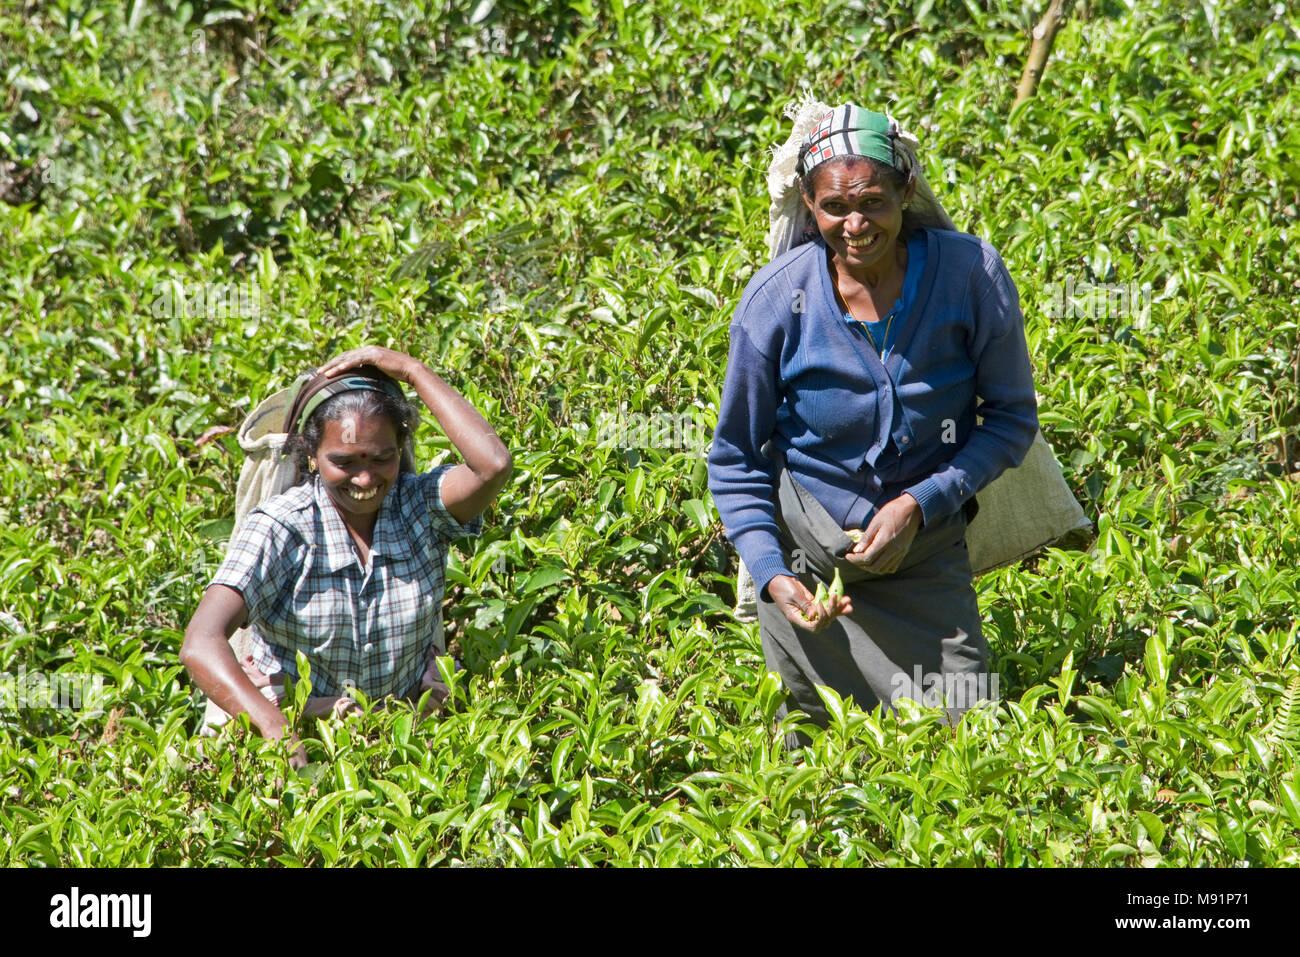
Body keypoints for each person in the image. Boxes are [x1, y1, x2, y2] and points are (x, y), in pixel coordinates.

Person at [707, 103, 1039, 740]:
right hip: (809, 570)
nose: (855, 225)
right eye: (834, 208)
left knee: (963, 744)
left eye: (874, 202)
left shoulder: (971, 276)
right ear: (809, 204)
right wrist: (775, 577)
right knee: (812, 755)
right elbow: (736, 458)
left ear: (905, 191)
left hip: (927, 560)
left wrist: (918, 503)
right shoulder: (776, 300)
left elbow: (1008, 419)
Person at [181, 346, 512, 764]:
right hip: (300, 746)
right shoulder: (282, 527)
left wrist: (412, 370)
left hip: (408, 742)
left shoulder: (418, 507)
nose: (365, 478)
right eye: (344, 461)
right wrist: (272, 724)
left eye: (381, 458)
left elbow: (494, 465)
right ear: (313, 455)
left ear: (400, 448)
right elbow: (200, 643)